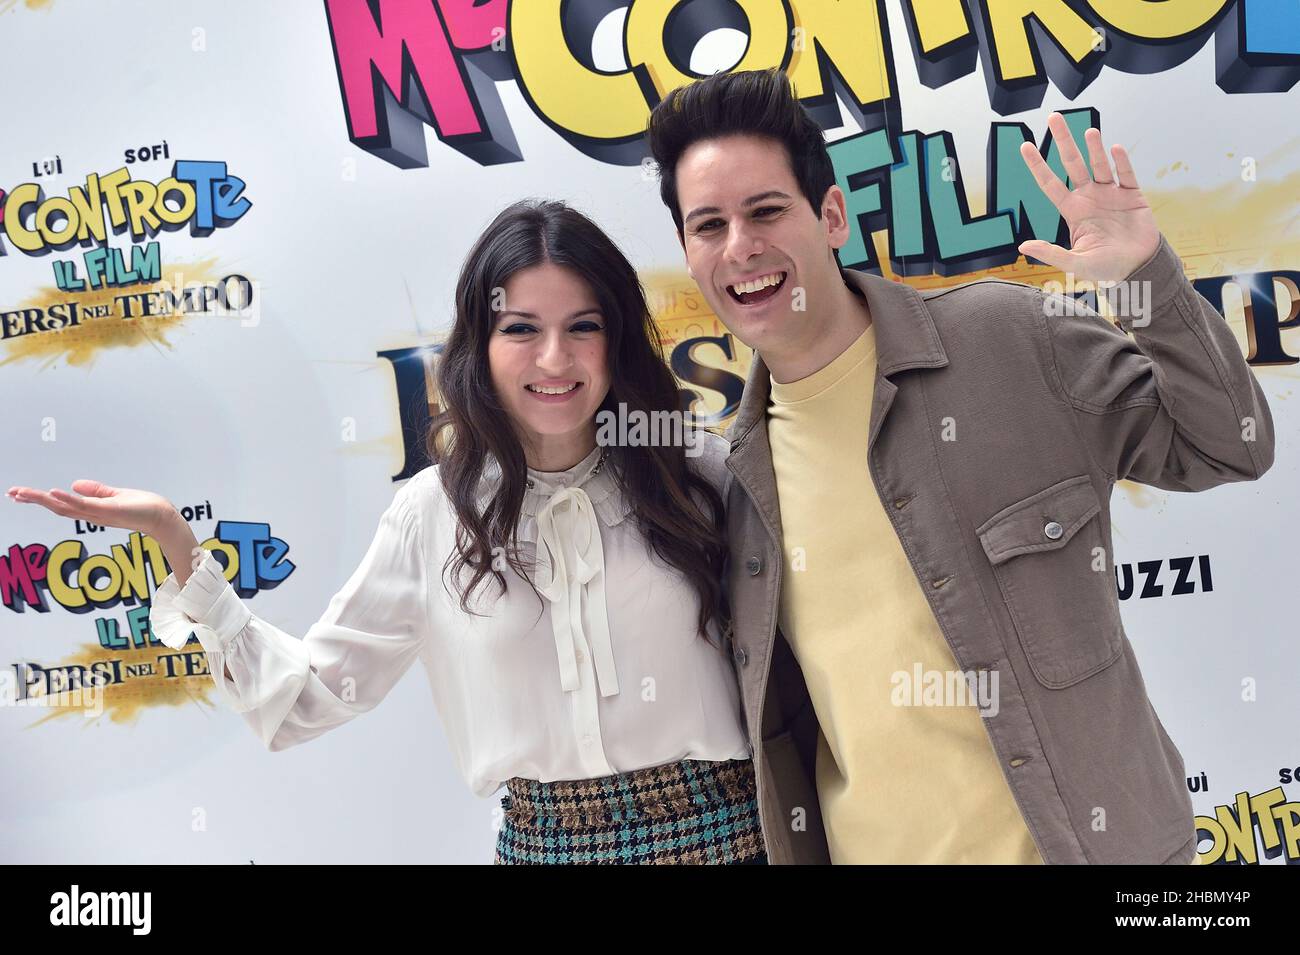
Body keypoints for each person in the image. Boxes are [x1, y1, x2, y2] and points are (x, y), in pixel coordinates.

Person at [7, 199, 765, 865]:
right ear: (480, 344)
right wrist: (177, 542)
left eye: (583, 327)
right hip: (545, 847)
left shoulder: (696, 472)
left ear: (619, 338)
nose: (553, 358)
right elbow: (301, 700)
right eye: (521, 329)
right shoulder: (433, 514)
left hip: (727, 836)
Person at [645, 68, 1275, 864]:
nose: (741, 247)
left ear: (832, 214)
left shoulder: (1011, 338)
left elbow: (1234, 442)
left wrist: (1146, 282)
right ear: (689, 252)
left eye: (767, 210)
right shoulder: (733, 482)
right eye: (709, 225)